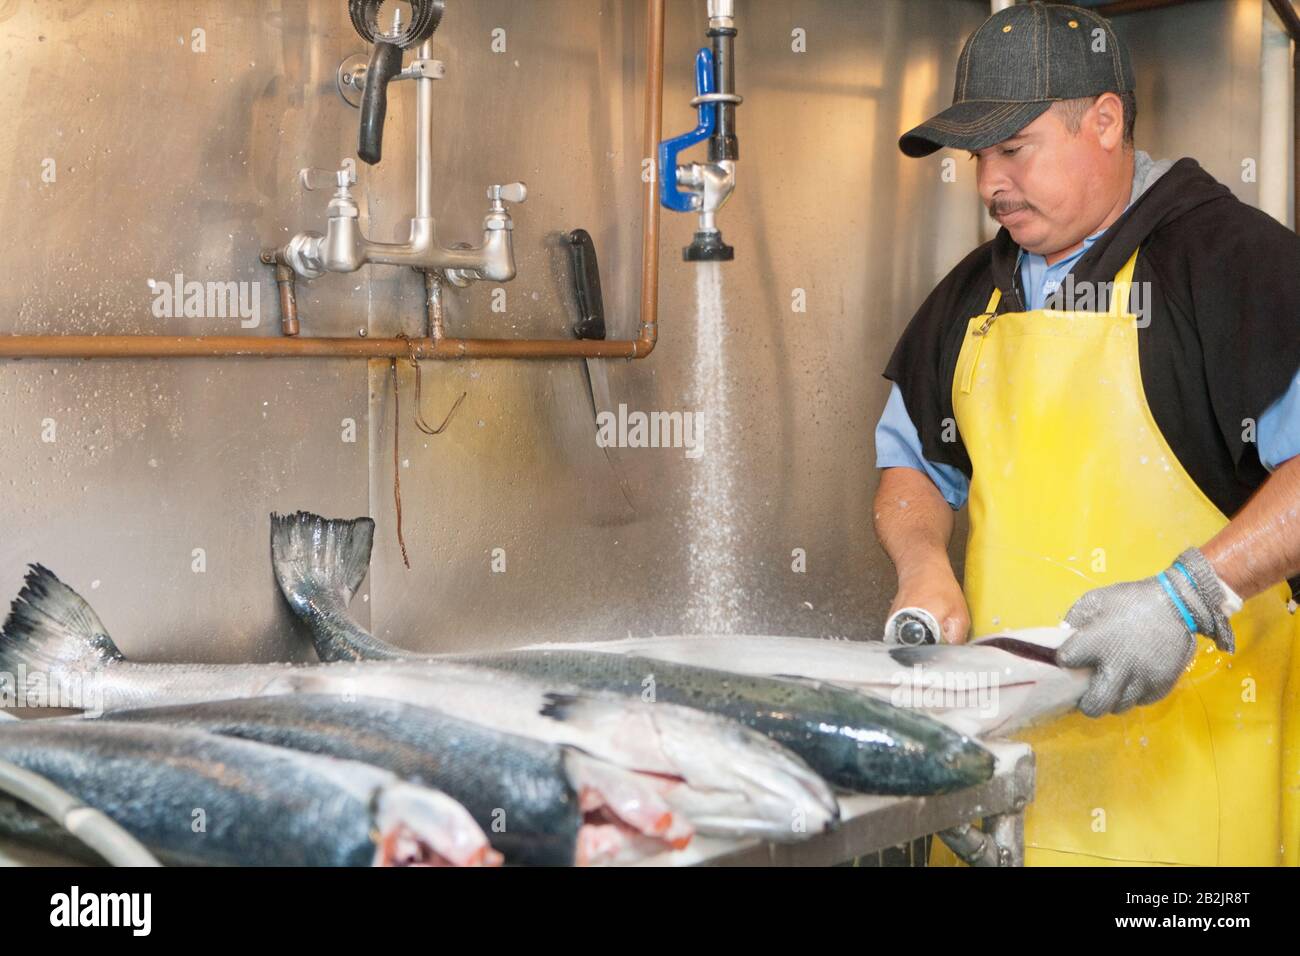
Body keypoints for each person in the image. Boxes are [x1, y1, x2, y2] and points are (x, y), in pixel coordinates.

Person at [874, 1, 1300, 865]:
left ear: (1104, 121)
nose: (989, 182)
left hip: (1193, 803)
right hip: (1015, 792)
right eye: (976, 157)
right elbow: (914, 463)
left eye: (1012, 149)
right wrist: (922, 566)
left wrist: (1189, 598)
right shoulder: (970, 297)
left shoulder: (1236, 265)